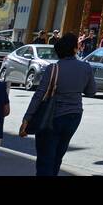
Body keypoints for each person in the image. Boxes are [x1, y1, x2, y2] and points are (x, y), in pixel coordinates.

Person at [20, 33, 95, 176]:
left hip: (52, 116)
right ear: (75, 49)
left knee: (45, 159)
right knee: (57, 156)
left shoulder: (53, 68)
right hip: (74, 116)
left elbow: (39, 95)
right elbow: (91, 91)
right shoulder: (86, 67)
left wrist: (27, 118)